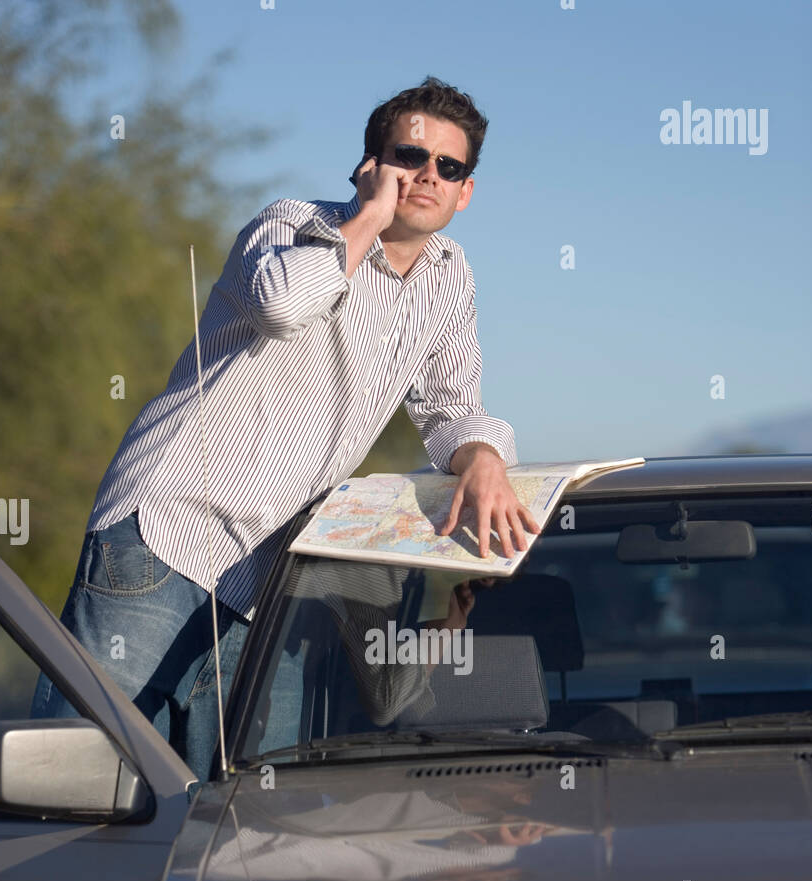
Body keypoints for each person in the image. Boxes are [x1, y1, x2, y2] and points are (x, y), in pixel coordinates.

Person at [31, 75, 538, 782]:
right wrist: (366, 219)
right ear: (371, 166)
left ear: (466, 191)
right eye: (409, 158)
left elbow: (450, 408)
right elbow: (279, 307)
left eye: (448, 167)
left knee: (242, 806)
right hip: (166, 535)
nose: (428, 176)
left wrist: (483, 456)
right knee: (76, 779)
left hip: (271, 578)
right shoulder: (294, 224)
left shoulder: (450, 276)